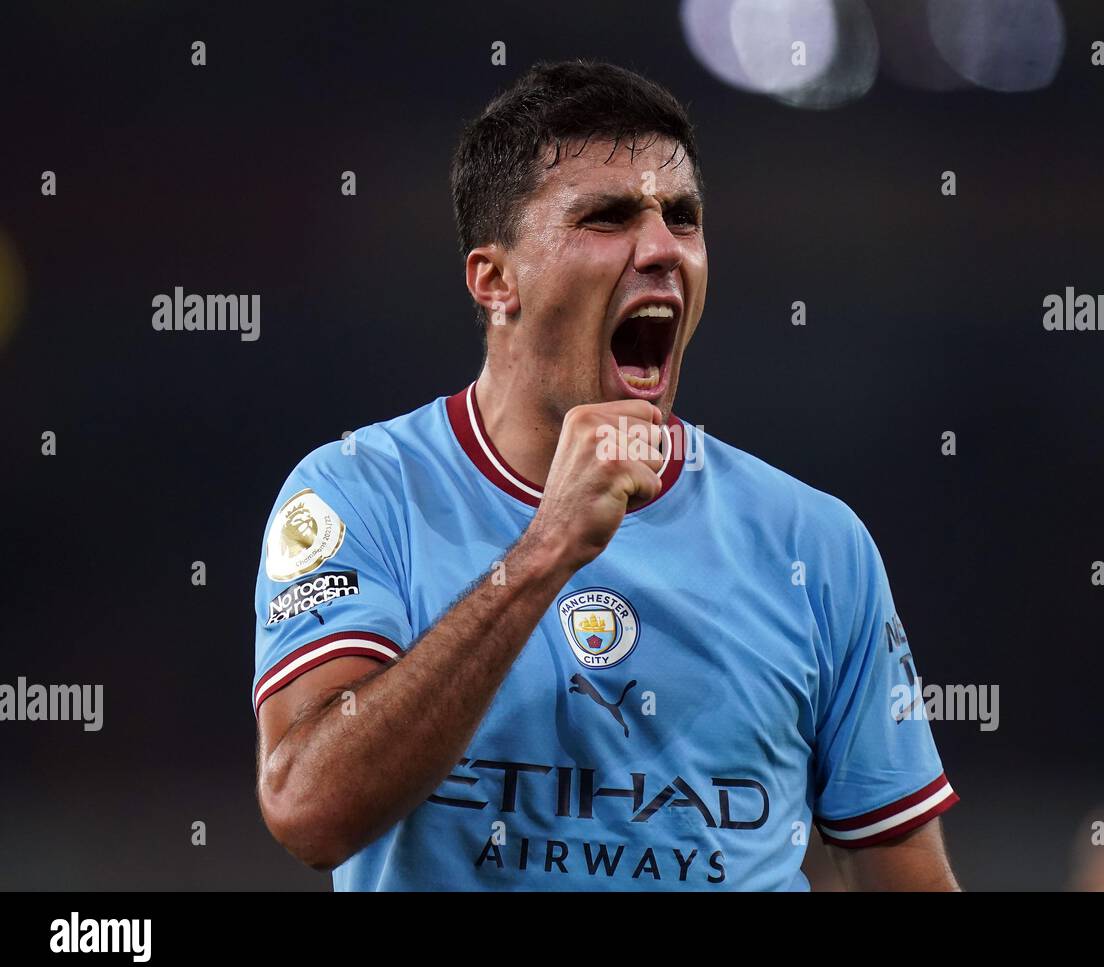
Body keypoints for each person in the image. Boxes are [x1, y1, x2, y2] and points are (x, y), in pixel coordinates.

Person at [251, 60, 959, 890]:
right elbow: (308, 811)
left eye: (683, 218)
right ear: (495, 280)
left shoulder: (815, 541)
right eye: (607, 218)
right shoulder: (358, 493)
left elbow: (897, 872)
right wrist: (544, 552)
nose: (662, 249)